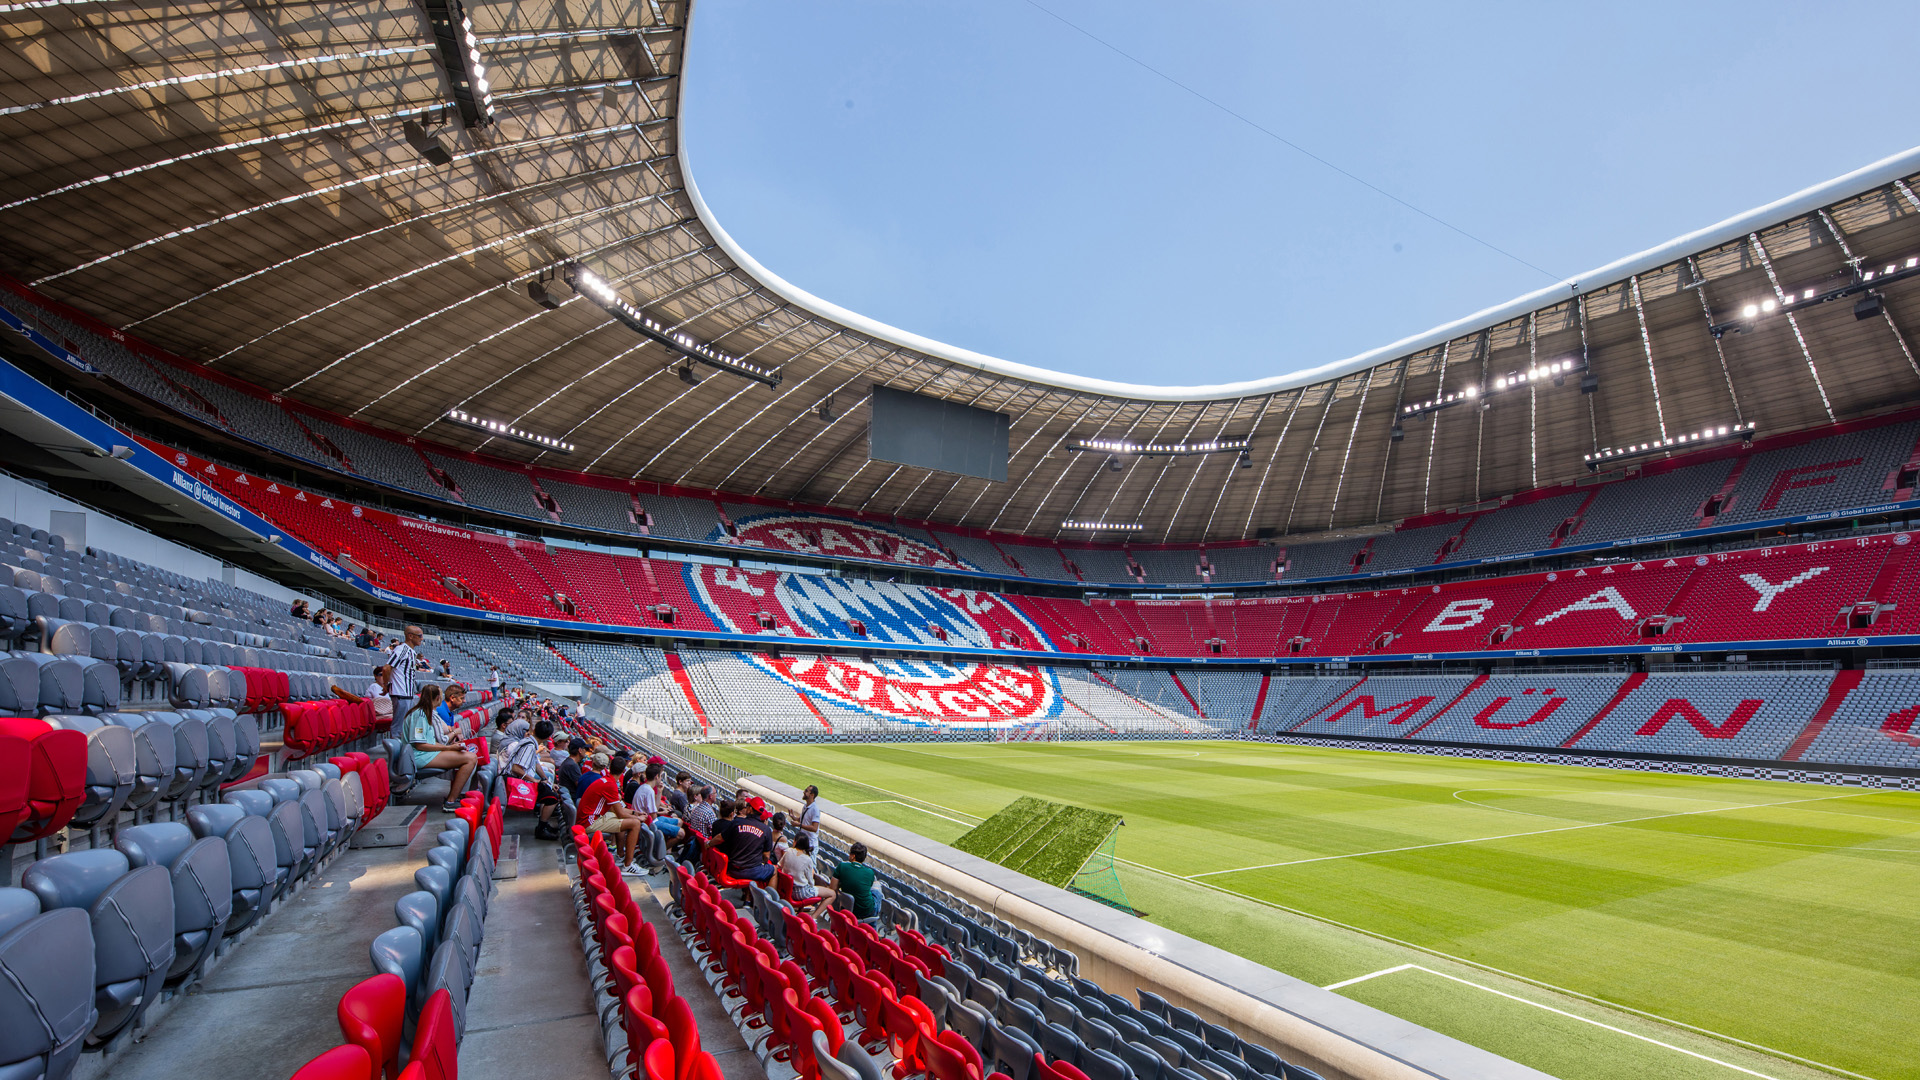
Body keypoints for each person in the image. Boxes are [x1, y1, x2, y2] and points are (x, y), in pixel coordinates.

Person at [401, 685, 477, 813]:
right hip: (419, 756)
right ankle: (450, 801)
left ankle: (457, 797)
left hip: (426, 754)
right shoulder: (420, 715)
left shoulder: (426, 713)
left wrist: (451, 748)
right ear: (437, 698)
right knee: (470, 758)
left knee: (469, 755)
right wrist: (449, 748)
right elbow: (420, 745)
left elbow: (430, 741)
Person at [576, 754, 650, 872]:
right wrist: (638, 818)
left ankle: (620, 855)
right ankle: (628, 865)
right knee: (635, 824)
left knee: (626, 820)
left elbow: (618, 810)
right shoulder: (610, 785)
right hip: (589, 821)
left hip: (590, 817)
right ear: (623, 770)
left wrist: (635, 813)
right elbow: (620, 813)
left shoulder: (606, 780)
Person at [504, 718, 563, 841]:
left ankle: (544, 824)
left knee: (549, 791)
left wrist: (546, 780)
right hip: (516, 782)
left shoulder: (529, 742)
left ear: (534, 730)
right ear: (548, 738)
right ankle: (541, 829)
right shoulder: (529, 746)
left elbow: (536, 764)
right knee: (552, 798)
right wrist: (535, 780)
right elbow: (516, 768)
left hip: (522, 779)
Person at [714, 796, 774, 883]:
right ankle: (765, 892)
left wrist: (708, 843)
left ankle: (750, 892)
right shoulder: (766, 829)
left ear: (750, 809)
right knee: (774, 870)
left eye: (747, 806)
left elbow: (720, 838)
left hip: (733, 869)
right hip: (752, 872)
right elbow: (766, 856)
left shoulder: (736, 822)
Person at [333, 664, 395, 731]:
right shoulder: (374, 686)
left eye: (385, 675)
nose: (383, 677)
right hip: (377, 714)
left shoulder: (387, 687)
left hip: (385, 713)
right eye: (381, 675)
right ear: (375, 676)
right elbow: (381, 701)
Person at [782, 832, 834, 908]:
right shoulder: (807, 859)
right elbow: (811, 883)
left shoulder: (788, 851)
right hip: (800, 893)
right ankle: (815, 914)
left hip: (786, 888)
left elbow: (779, 866)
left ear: (795, 842)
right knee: (832, 894)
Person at [385, 625, 424, 723]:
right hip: (401, 694)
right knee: (399, 726)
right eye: (420, 636)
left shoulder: (411, 652)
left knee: (405, 725)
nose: (422, 639)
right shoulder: (402, 649)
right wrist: (386, 685)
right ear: (410, 636)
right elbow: (386, 668)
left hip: (406, 694)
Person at [832, 842, 880, 921]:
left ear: (853, 856)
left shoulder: (842, 866)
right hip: (864, 910)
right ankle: (873, 925)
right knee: (877, 887)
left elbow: (833, 888)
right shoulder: (870, 872)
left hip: (846, 907)